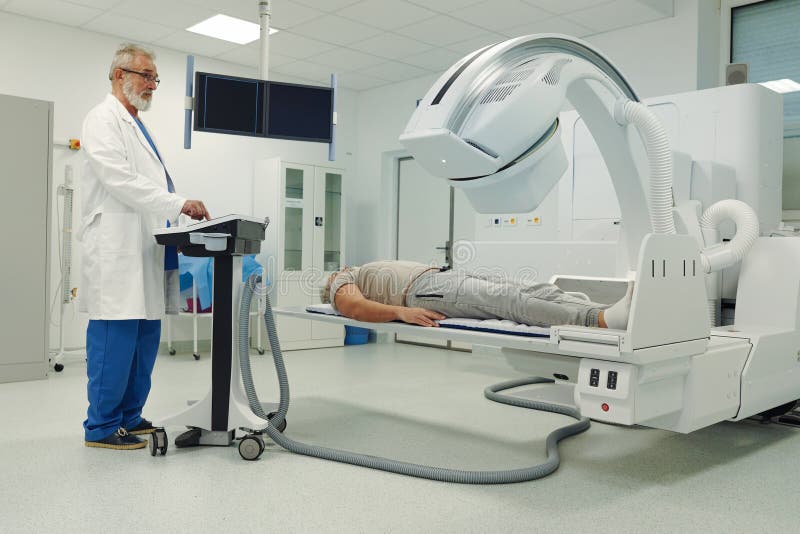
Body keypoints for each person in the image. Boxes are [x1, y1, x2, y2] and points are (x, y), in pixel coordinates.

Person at [78, 43, 211, 450]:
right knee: (115, 339)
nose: (152, 84)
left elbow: (150, 186)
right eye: (145, 75)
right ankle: (101, 427)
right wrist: (177, 203)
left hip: (144, 247)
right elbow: (119, 179)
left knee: (145, 337)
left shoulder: (136, 125)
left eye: (155, 77)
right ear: (120, 75)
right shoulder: (103, 119)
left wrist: (174, 208)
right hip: (116, 249)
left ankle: (130, 416)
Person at [323, 260, 632, 330]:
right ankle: (599, 320)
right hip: (426, 292)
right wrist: (400, 313)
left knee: (530, 289)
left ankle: (610, 308)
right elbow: (356, 308)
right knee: (511, 303)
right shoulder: (341, 280)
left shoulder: (361, 270)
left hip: (442, 277)